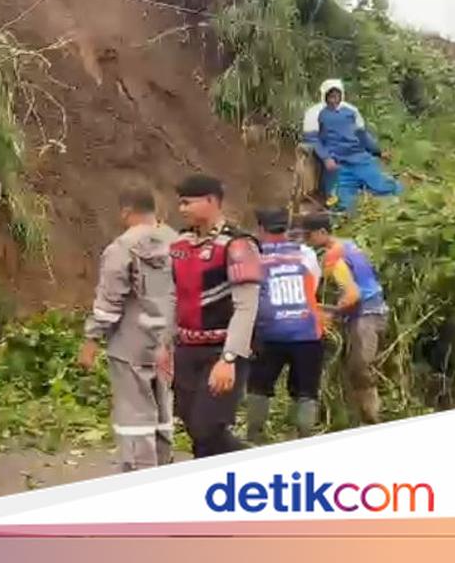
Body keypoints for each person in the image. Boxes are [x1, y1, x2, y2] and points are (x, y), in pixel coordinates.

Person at [80, 188, 177, 472]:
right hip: (167, 343)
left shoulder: (121, 248)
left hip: (130, 342)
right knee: (162, 407)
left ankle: (139, 472)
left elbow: (110, 301)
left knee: (135, 413)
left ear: (125, 212)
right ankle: (164, 463)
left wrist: (91, 340)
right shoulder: (177, 243)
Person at [169, 175, 263, 459]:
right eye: (180, 203)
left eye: (188, 202)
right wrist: (165, 345)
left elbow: (246, 306)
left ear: (211, 201)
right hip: (186, 349)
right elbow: (173, 296)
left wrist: (229, 358)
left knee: (207, 426)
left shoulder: (238, 245)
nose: (182, 209)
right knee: (194, 426)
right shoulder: (181, 244)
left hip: (221, 350)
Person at [245, 208, 326, 443]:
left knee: (259, 385)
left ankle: (254, 436)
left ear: (260, 228)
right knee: (306, 390)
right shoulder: (306, 253)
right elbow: (314, 284)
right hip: (307, 331)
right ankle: (302, 436)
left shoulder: (254, 257)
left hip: (269, 332)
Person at [302, 212, 389, 424]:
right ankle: (365, 416)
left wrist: (331, 312)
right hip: (379, 310)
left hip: (365, 315)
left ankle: (372, 419)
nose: (308, 241)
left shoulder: (333, 256)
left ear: (322, 232)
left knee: (359, 368)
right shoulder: (350, 245)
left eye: (309, 235)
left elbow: (352, 295)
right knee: (361, 367)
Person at [302, 79, 401, 212]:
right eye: (330, 95)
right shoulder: (314, 113)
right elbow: (312, 139)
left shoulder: (351, 111)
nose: (334, 99)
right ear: (324, 95)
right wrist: (326, 158)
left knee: (385, 187)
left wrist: (378, 152)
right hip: (337, 162)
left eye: (337, 95)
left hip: (359, 158)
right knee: (342, 203)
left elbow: (362, 136)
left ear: (342, 94)